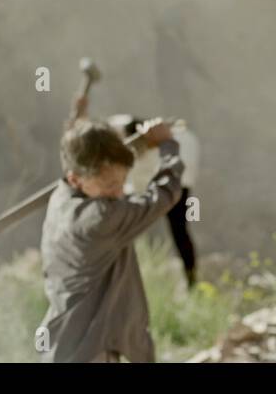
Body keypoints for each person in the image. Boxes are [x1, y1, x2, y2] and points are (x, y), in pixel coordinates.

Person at [37, 117, 182, 363]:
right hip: (89, 350)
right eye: (109, 184)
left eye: (122, 182)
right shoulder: (101, 219)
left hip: (69, 345)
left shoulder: (61, 198)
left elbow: (101, 160)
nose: (118, 192)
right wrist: (167, 144)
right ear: (75, 179)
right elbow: (165, 195)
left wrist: (142, 144)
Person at [108, 115, 200, 288]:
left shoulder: (177, 141)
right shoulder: (123, 132)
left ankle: (191, 279)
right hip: (157, 188)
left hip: (175, 186)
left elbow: (176, 174)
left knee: (179, 232)